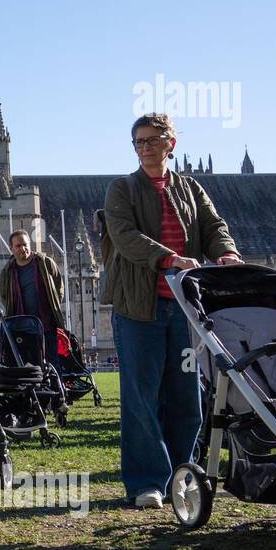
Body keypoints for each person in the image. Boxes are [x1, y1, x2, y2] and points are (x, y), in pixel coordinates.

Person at [101, 112, 241, 509]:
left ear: (171, 144)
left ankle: (185, 472)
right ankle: (147, 481)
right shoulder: (122, 189)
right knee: (141, 395)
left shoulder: (191, 189)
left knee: (185, 394)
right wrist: (171, 259)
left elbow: (214, 227)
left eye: (151, 140)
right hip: (138, 308)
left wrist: (226, 252)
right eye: (138, 142)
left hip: (184, 309)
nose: (145, 148)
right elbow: (125, 237)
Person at [0, 230, 67, 369]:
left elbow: (59, 287)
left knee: (52, 362)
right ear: (11, 248)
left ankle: (56, 389)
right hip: (21, 326)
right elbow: (4, 296)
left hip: (46, 323)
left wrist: (53, 307)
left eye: (25, 244)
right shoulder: (7, 272)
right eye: (18, 246)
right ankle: (32, 391)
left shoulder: (45, 263)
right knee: (26, 364)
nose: (23, 248)